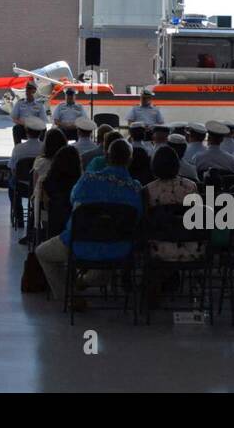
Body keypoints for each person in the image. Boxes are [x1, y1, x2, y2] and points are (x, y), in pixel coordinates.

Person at [34, 139, 143, 306]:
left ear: (106, 157)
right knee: (104, 258)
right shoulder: (136, 189)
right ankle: (85, 280)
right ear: (130, 160)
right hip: (120, 248)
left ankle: (68, 297)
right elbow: (138, 218)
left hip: (79, 243)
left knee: (42, 252)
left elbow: (73, 200)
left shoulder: (88, 180)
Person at [143, 146, 203, 262]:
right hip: (190, 248)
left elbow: (146, 223)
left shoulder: (148, 190)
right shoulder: (191, 186)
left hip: (158, 249)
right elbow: (198, 218)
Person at [30, 128, 71, 231]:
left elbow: (36, 188)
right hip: (66, 208)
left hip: (45, 207)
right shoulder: (69, 163)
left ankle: (34, 232)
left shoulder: (40, 163)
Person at [11, 81, 47, 145]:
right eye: (27, 89)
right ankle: (17, 148)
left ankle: (41, 149)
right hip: (23, 127)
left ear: (34, 91)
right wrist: (24, 123)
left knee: (44, 129)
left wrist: (32, 124)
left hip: (35, 128)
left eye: (30, 89)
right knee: (16, 128)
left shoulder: (40, 105)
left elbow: (43, 120)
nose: (28, 91)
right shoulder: (20, 103)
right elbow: (14, 118)